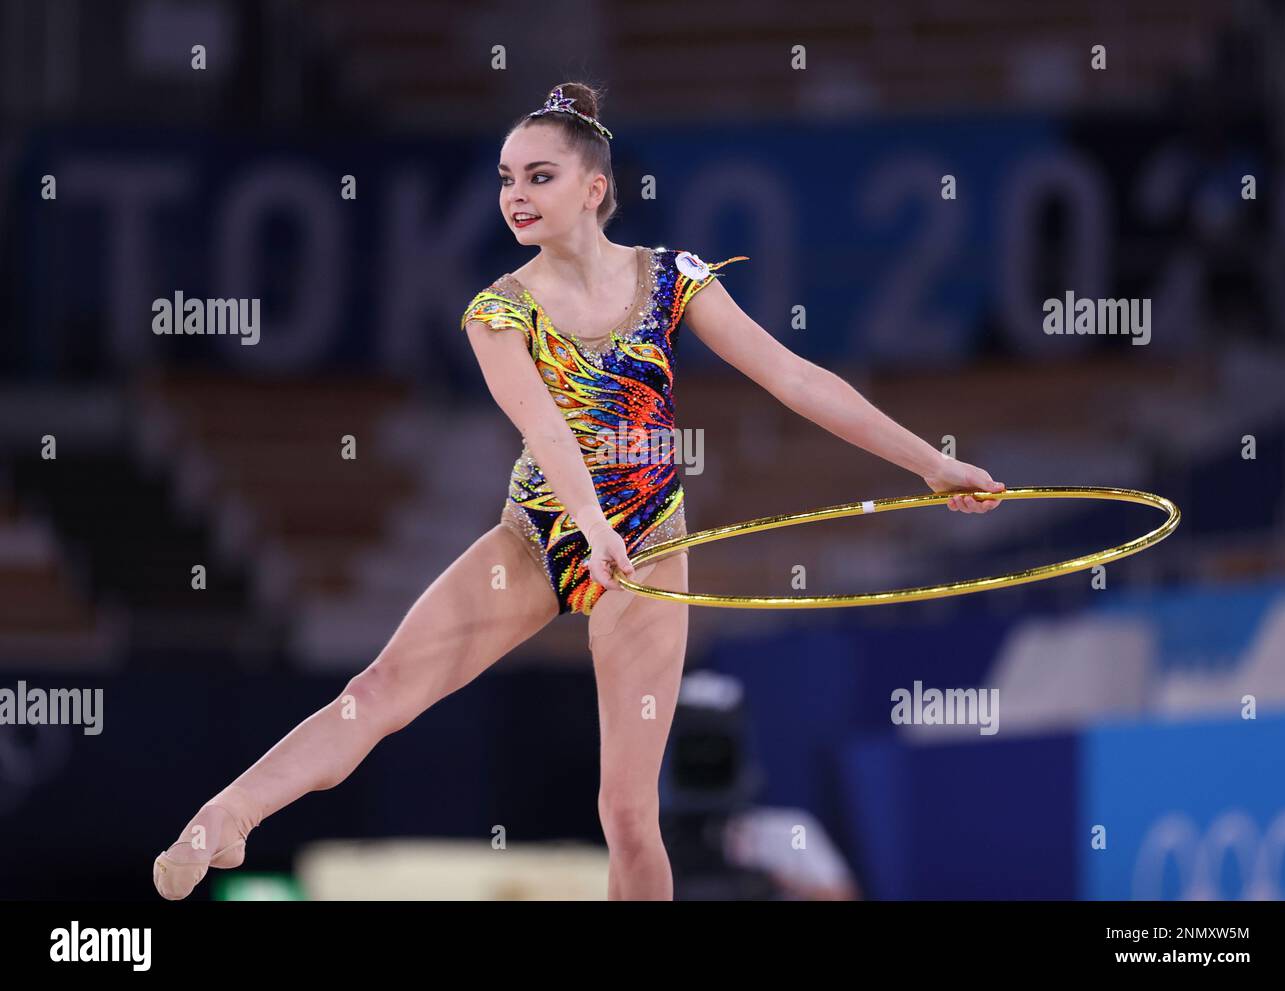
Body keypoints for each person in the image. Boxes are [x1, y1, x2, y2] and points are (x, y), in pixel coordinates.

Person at [153, 80, 1004, 903]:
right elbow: (547, 430)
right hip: (536, 541)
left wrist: (930, 463)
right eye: (505, 178)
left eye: (538, 175)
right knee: (378, 692)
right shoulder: (500, 311)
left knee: (629, 814)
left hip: (649, 552)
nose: (514, 195)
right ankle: (228, 813)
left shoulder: (672, 278)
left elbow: (795, 377)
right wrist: (590, 525)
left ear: (594, 188)